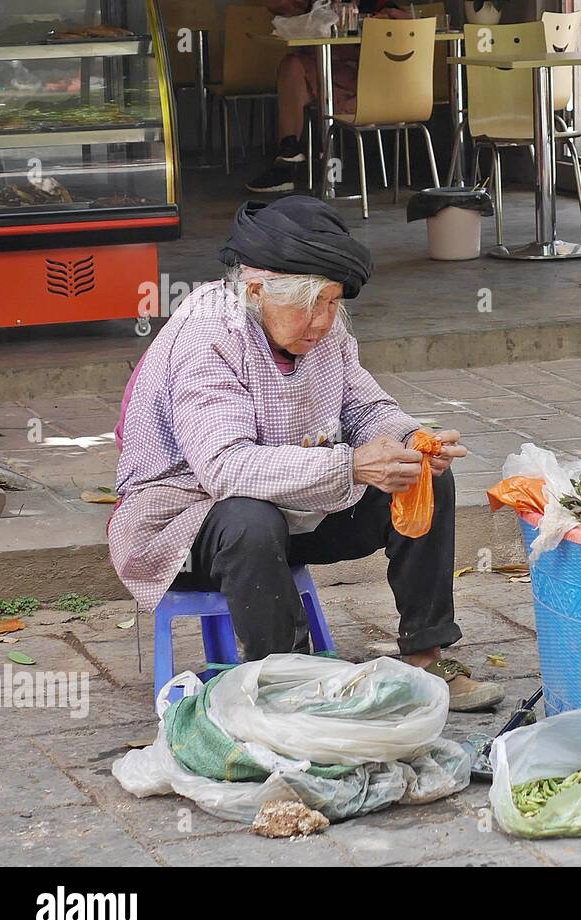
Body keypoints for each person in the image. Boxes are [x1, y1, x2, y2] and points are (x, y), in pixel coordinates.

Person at [109, 196, 503, 711]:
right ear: (256, 291)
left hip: (295, 510)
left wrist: (410, 438)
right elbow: (225, 468)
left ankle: (427, 660)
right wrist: (353, 464)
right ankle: (286, 688)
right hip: (185, 525)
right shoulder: (208, 334)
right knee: (249, 518)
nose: (323, 320)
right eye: (311, 305)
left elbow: (363, 405)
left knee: (422, 475)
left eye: (333, 302)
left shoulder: (324, 328)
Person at [247, 0, 412, 193]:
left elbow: (409, 20)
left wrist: (380, 19)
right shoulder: (316, 5)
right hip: (327, 79)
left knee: (299, 70)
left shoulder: (375, 4)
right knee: (292, 66)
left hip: (365, 87)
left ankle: (288, 168)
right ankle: (288, 151)